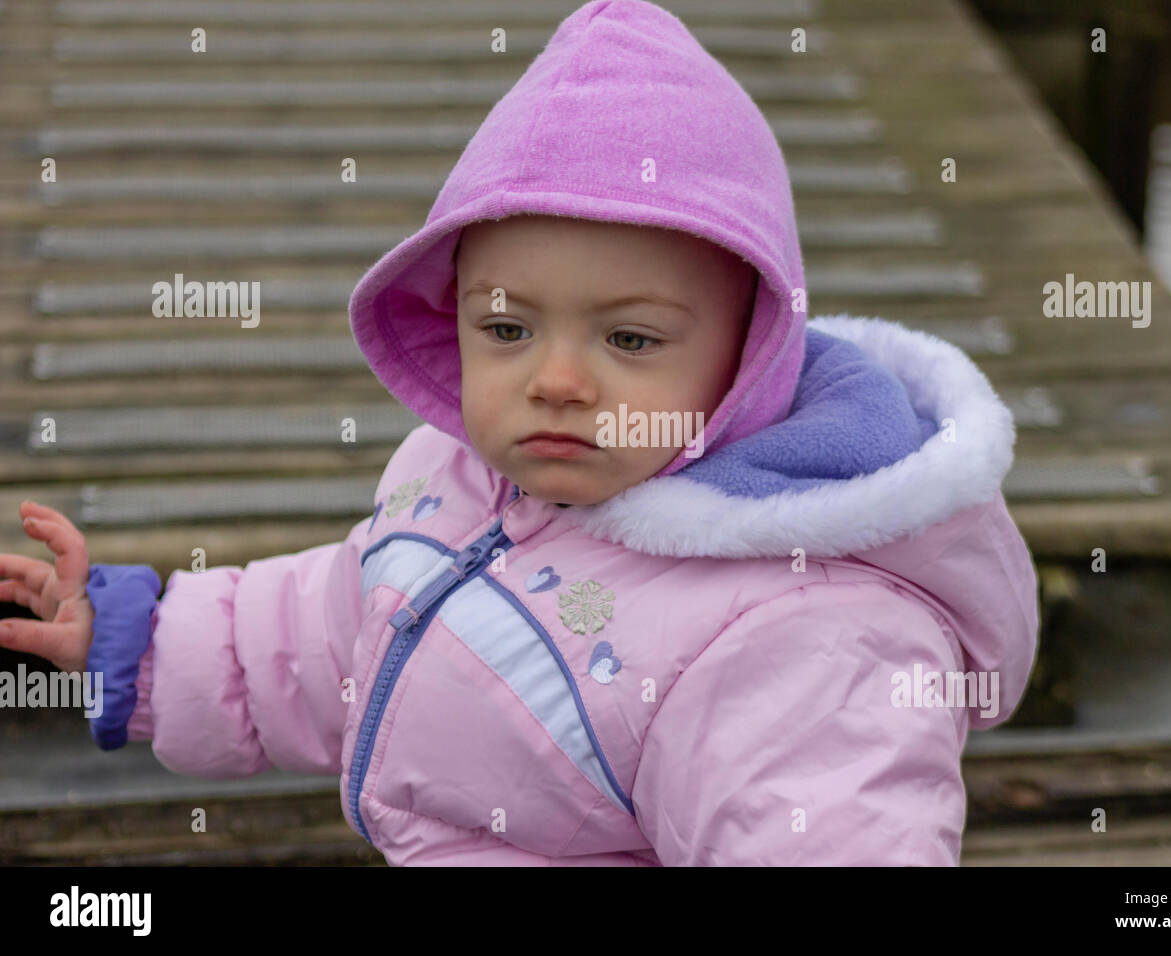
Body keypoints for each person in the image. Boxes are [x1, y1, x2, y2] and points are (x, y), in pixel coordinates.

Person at [0, 0, 1038, 865]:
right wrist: (134, 640)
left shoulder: (798, 627)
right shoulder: (460, 484)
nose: (553, 380)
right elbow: (331, 632)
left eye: (630, 337)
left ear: (750, 354)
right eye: (505, 326)